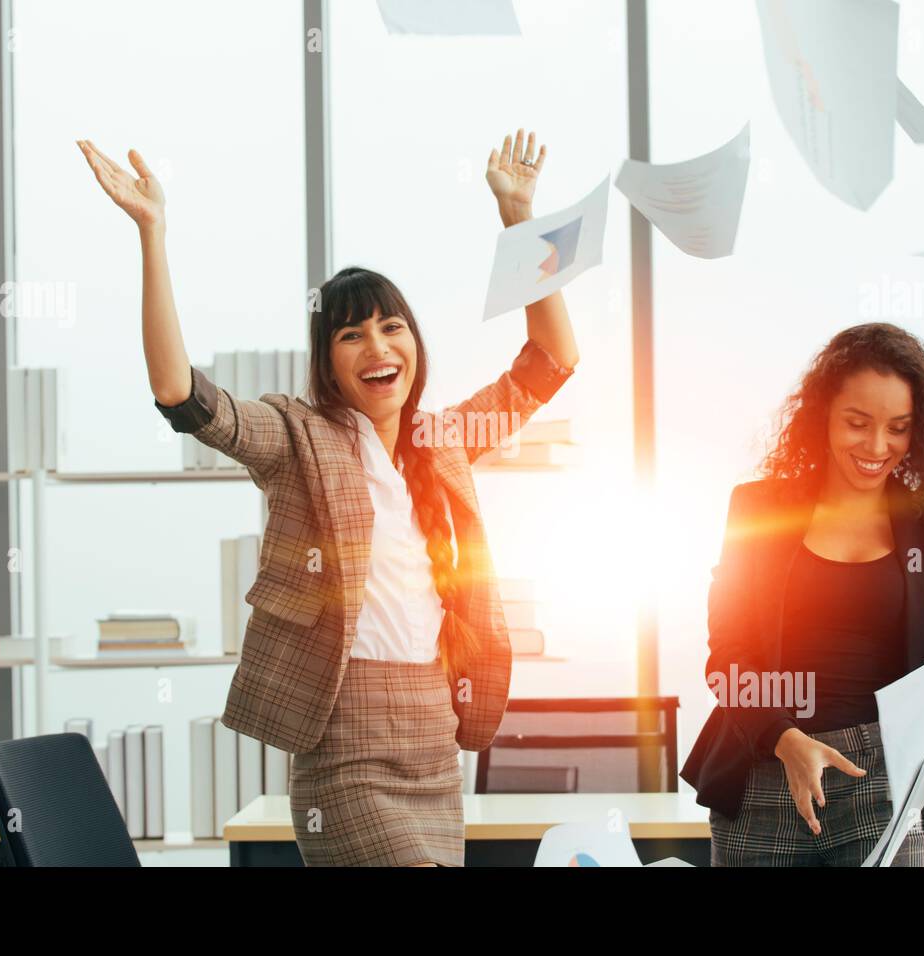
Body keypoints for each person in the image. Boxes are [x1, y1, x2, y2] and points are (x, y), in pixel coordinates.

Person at [78, 129, 577, 866]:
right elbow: (178, 392)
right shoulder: (296, 437)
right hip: (343, 751)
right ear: (328, 362)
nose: (378, 348)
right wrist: (153, 233)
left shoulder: (445, 441)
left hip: (433, 739)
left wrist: (519, 219)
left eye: (392, 327)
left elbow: (552, 361)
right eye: (352, 335)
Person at [681, 323, 924, 866]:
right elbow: (727, 656)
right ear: (822, 414)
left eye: (898, 428)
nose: (877, 447)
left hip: (886, 784)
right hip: (763, 775)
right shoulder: (759, 512)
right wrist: (784, 739)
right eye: (857, 423)